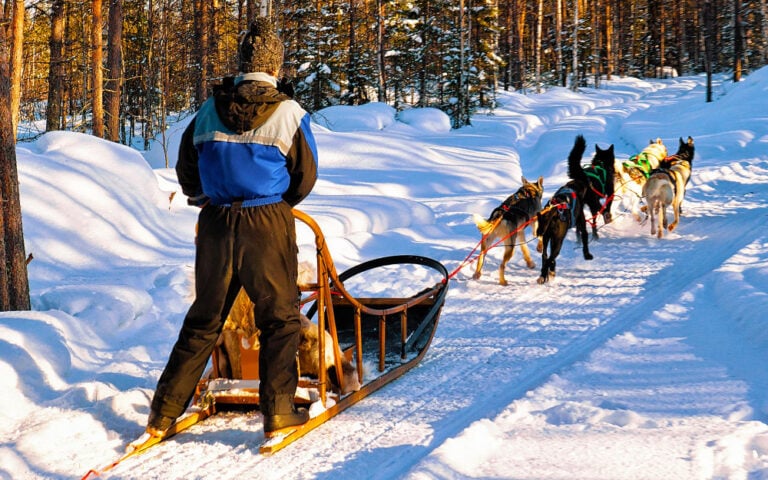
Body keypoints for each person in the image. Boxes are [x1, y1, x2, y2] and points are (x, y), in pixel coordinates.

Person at [146, 17, 318, 439]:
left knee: (204, 320)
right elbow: (305, 175)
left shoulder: (208, 110)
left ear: (242, 63)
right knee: (279, 319)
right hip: (267, 222)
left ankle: (163, 413)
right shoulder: (290, 113)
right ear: (275, 66)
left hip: (216, 223)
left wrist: (206, 198)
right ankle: (277, 411)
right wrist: (278, 205)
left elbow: (186, 167)